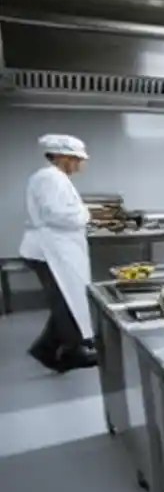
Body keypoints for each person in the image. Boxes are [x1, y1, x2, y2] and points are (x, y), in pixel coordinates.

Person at [20, 134, 97, 372]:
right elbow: (57, 214)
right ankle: (66, 352)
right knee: (67, 301)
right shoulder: (49, 178)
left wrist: (81, 213)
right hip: (50, 250)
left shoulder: (54, 178)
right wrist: (85, 214)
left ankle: (52, 349)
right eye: (77, 160)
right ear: (64, 157)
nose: (79, 165)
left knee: (68, 299)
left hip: (55, 248)